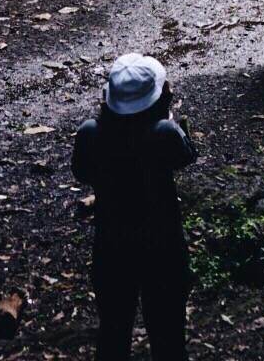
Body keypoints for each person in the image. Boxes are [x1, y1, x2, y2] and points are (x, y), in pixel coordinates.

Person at [72, 53, 197, 361]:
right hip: (163, 247)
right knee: (168, 336)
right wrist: (170, 118)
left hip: (111, 246)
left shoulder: (92, 133)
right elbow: (187, 154)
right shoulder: (162, 134)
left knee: (113, 333)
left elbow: (83, 171)